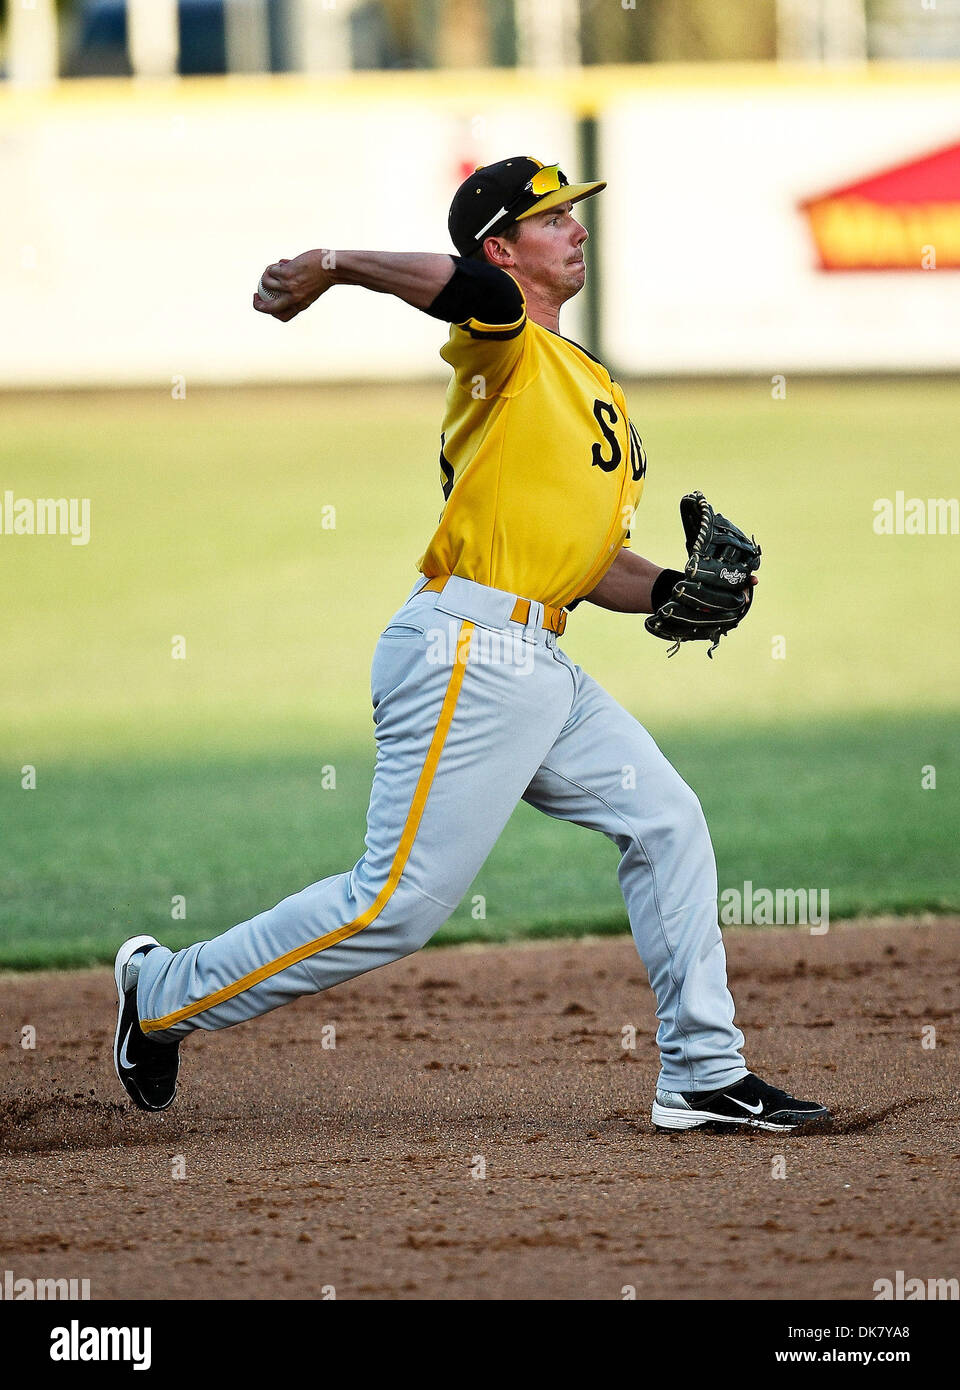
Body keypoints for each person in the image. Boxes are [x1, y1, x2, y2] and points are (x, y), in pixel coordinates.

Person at [113, 157, 828, 1133]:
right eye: (551, 220)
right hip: (469, 650)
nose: (576, 229)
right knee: (396, 905)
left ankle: (703, 1073)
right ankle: (161, 994)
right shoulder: (505, 345)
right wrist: (335, 262)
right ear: (502, 248)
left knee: (667, 820)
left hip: (543, 660)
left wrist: (669, 588)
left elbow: (586, 562)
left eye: (576, 215)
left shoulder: (588, 383)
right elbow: (473, 292)